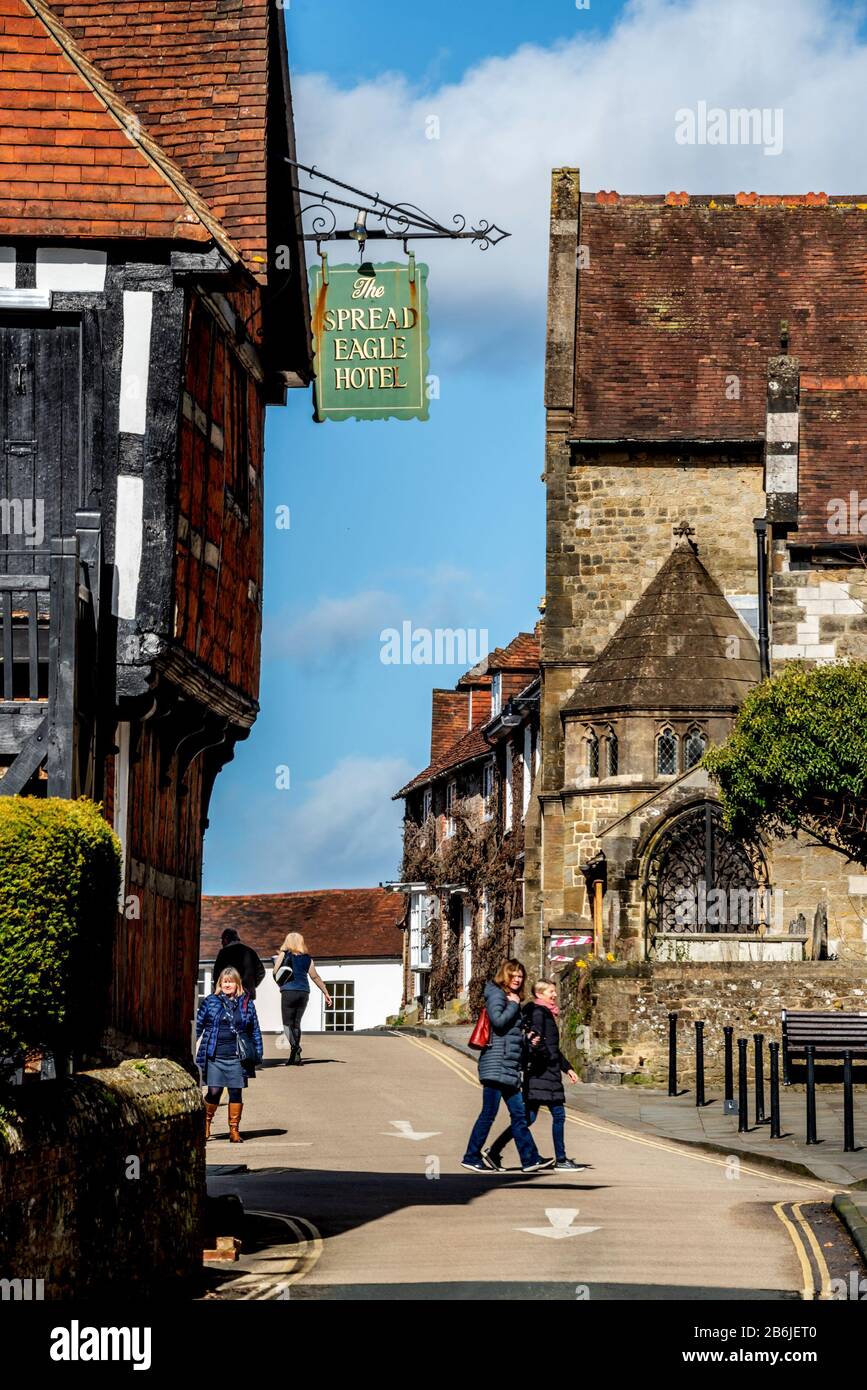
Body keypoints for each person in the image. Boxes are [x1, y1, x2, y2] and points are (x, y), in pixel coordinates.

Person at [483, 978, 588, 1173]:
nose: (554, 995)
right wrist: (547, 1058)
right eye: (551, 992)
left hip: (540, 1074)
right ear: (540, 994)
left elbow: (549, 1046)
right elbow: (535, 1041)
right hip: (544, 1074)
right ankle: (562, 1159)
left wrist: (567, 1068)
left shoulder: (541, 1012)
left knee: (526, 1118)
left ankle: (494, 1151)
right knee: (558, 1115)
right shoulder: (540, 1013)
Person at [461, 958, 554, 1174]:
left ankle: (530, 1159)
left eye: (521, 976)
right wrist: (512, 1004)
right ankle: (471, 1156)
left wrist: (526, 1038)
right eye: (514, 975)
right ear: (505, 975)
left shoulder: (511, 997)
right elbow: (499, 1022)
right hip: (496, 1065)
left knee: (519, 1115)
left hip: (508, 1067)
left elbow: (510, 1033)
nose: (518, 979)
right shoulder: (497, 994)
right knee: (489, 1113)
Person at [196, 966, 263, 1143]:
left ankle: (234, 1130)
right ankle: (205, 1124)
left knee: (235, 1092)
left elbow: (254, 1030)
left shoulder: (246, 1003)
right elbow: (198, 1026)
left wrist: (257, 1053)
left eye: (230, 981)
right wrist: (188, 1045)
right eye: (224, 981)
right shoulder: (211, 1001)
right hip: (215, 1054)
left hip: (237, 1056)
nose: (227, 984)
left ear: (237, 983)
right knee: (214, 1091)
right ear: (220, 983)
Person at [273, 931, 333, 1065]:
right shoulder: (308, 958)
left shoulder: (284, 954)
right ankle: (295, 1057)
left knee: (287, 1025)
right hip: (304, 992)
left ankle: (296, 1047)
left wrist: (278, 963)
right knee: (296, 1023)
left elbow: (275, 972)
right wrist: (326, 992)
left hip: (289, 991)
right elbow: (315, 977)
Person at [211, 927, 266, 1000]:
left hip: (229, 995)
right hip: (247, 994)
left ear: (226, 939)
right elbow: (261, 972)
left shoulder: (224, 953)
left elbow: (217, 975)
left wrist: (219, 989)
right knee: (247, 1011)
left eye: (222, 940)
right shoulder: (250, 951)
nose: (221, 943)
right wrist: (251, 985)